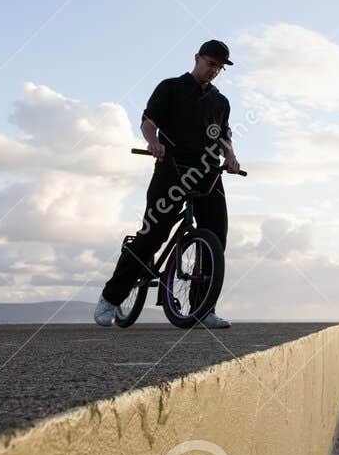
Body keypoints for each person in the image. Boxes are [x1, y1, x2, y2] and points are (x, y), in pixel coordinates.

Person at [94, 40, 242, 330]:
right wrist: (154, 143)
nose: (214, 71)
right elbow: (148, 122)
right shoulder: (170, 87)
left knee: (215, 237)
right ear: (197, 58)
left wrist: (232, 157)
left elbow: (224, 136)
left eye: (220, 67)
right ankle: (111, 298)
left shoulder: (220, 101)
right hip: (172, 168)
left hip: (207, 172)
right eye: (211, 63)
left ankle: (203, 309)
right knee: (153, 233)